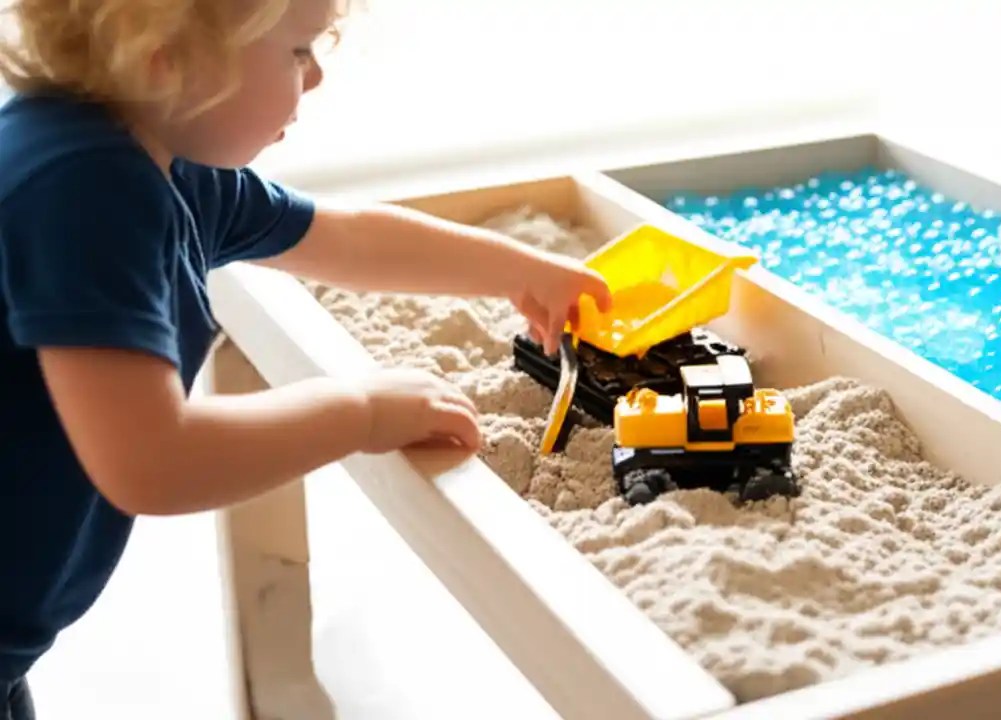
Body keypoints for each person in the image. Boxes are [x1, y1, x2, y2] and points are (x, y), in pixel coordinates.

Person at [0, 0, 613, 716]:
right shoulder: (82, 190)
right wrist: (358, 412)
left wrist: (520, 270)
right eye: (297, 51)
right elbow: (152, 463)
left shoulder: (153, 158)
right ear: (164, 58)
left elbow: (345, 238)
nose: (316, 76)